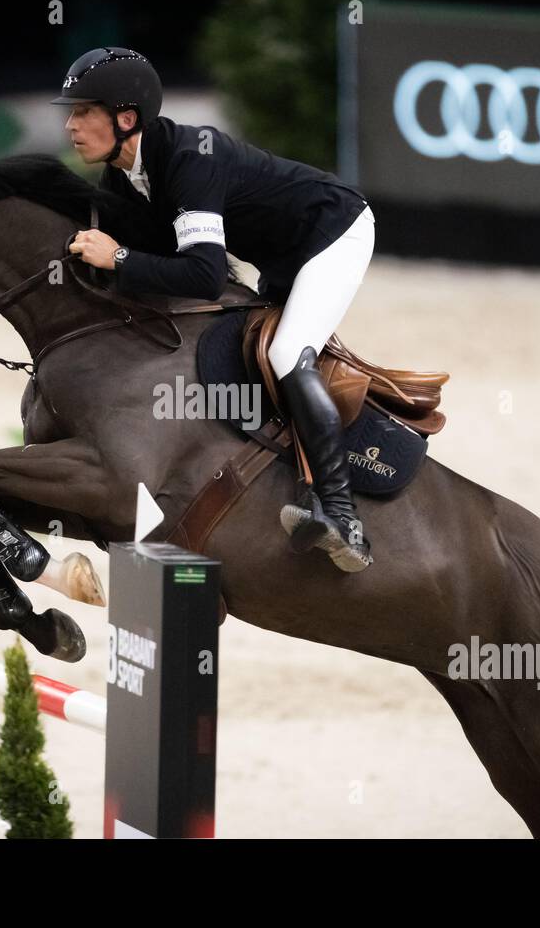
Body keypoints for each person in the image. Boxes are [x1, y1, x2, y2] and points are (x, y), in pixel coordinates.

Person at [54, 47, 376, 573]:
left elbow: (203, 274)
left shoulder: (187, 159)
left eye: (82, 111)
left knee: (289, 351)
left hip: (332, 232)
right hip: (277, 254)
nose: (70, 125)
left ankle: (342, 516)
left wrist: (116, 256)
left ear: (126, 118)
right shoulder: (121, 178)